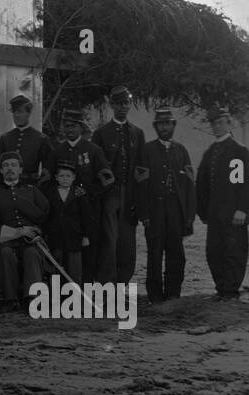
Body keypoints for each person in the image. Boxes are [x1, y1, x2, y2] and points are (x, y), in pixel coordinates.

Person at [196, 106, 249, 300]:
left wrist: (241, 209)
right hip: (215, 215)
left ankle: (230, 292)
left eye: (220, 123)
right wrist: (203, 212)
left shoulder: (237, 151)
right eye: (213, 124)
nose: (217, 127)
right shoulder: (211, 153)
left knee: (233, 253)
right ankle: (221, 289)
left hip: (234, 216)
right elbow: (202, 185)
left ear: (229, 123)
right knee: (214, 252)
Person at [137, 107, 196, 303]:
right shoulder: (147, 150)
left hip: (175, 211)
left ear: (173, 126)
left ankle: (173, 294)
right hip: (154, 210)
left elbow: (188, 186)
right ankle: (155, 296)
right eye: (160, 124)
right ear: (155, 127)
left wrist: (188, 215)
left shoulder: (181, 151)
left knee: (176, 253)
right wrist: (144, 213)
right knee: (154, 253)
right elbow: (141, 184)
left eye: (167, 123)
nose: (164, 127)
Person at [91, 85, 147, 287]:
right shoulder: (101, 134)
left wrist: (138, 198)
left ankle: (123, 283)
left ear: (130, 104)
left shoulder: (137, 133)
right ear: (112, 105)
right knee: (109, 240)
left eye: (126, 103)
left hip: (129, 194)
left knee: (127, 241)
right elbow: (95, 167)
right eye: (119, 103)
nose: (123, 107)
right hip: (109, 194)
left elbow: (141, 169)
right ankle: (107, 284)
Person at [0, 149, 50, 311]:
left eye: (14, 165)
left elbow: (46, 213)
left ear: (20, 169)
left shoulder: (32, 190)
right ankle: (10, 298)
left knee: (31, 253)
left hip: (31, 242)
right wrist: (18, 232)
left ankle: (32, 298)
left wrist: (36, 230)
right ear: (0, 171)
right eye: (6, 166)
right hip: (7, 242)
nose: (10, 168)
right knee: (5, 253)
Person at [56, 108, 115, 278]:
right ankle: (66, 295)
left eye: (74, 126)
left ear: (81, 127)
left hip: (89, 212)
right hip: (66, 214)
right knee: (65, 254)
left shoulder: (93, 150)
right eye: (67, 126)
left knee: (90, 253)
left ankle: (87, 294)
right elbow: (47, 180)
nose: (70, 130)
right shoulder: (57, 150)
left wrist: (88, 192)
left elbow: (108, 178)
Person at [41, 156, 96, 282]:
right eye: (62, 176)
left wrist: (86, 236)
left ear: (74, 178)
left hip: (74, 236)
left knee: (74, 267)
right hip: (55, 236)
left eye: (68, 176)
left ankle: (74, 293)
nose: (65, 179)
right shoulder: (50, 193)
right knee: (56, 265)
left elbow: (86, 216)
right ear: (56, 177)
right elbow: (46, 214)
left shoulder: (79, 193)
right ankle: (56, 294)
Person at [0, 93, 55, 188]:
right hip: (7, 187)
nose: (16, 115)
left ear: (28, 113)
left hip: (31, 186)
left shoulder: (41, 138)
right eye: (14, 112)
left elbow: (49, 168)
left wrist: (40, 186)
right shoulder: (5, 138)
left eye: (20, 112)